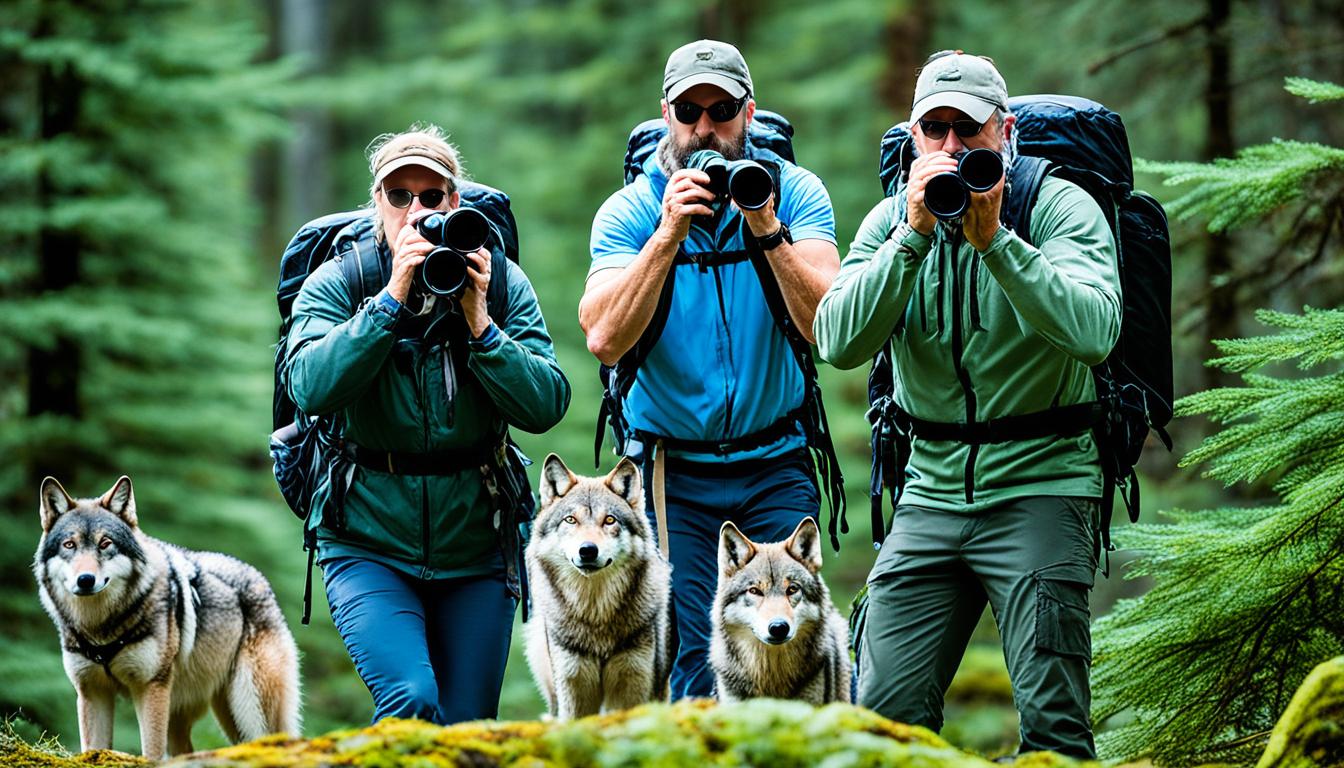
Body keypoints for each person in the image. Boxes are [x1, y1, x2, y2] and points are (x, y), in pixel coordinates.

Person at [814, 51, 1121, 759]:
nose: (950, 146)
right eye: (935, 129)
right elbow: (837, 342)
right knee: (881, 720)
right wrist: (912, 239)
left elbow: (1095, 332)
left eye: (969, 128)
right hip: (931, 491)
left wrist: (998, 245)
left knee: (1053, 727)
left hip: (1044, 481)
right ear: (913, 136)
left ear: (1005, 131)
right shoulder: (893, 221)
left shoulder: (1058, 206)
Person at [579, 40, 841, 700]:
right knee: (695, 655)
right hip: (674, 469)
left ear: (748, 112)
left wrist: (766, 227)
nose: (705, 128)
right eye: (689, 111)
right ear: (665, 114)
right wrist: (667, 234)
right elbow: (604, 337)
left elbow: (830, 327)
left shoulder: (795, 193)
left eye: (722, 111)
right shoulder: (632, 210)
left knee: (792, 647)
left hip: (776, 457)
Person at [285, 125, 570, 724]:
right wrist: (389, 301)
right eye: (399, 195)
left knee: (469, 728)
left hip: (478, 544)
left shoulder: (498, 281)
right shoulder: (343, 280)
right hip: (366, 541)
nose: (415, 211)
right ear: (378, 204)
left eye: (432, 196)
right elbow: (307, 385)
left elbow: (545, 405)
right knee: (410, 699)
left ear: (454, 201)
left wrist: (481, 325)